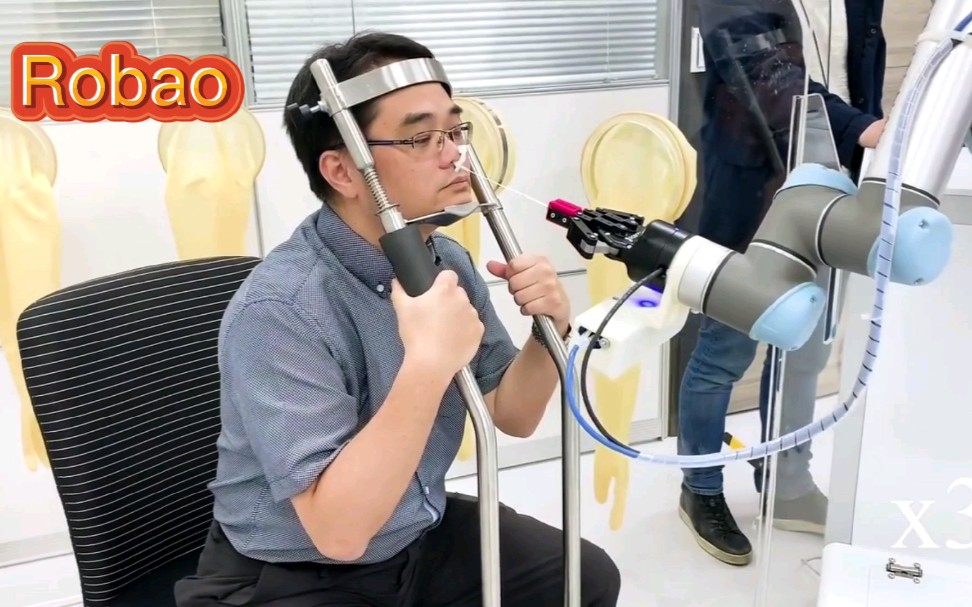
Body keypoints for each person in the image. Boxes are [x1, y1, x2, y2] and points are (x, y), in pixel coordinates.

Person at [173, 31, 621, 607]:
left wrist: (548, 329)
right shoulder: (280, 309)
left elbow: (512, 414)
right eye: (419, 138)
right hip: (294, 566)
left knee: (585, 579)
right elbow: (338, 532)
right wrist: (428, 365)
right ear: (342, 172)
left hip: (412, 533)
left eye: (455, 131)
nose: (455, 155)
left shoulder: (445, 261)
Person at [677, 0, 888, 566]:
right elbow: (763, 71)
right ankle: (700, 489)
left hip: (834, 182)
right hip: (752, 187)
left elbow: (862, 62)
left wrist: (870, 139)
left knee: (806, 352)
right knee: (724, 351)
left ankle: (787, 482)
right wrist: (860, 127)